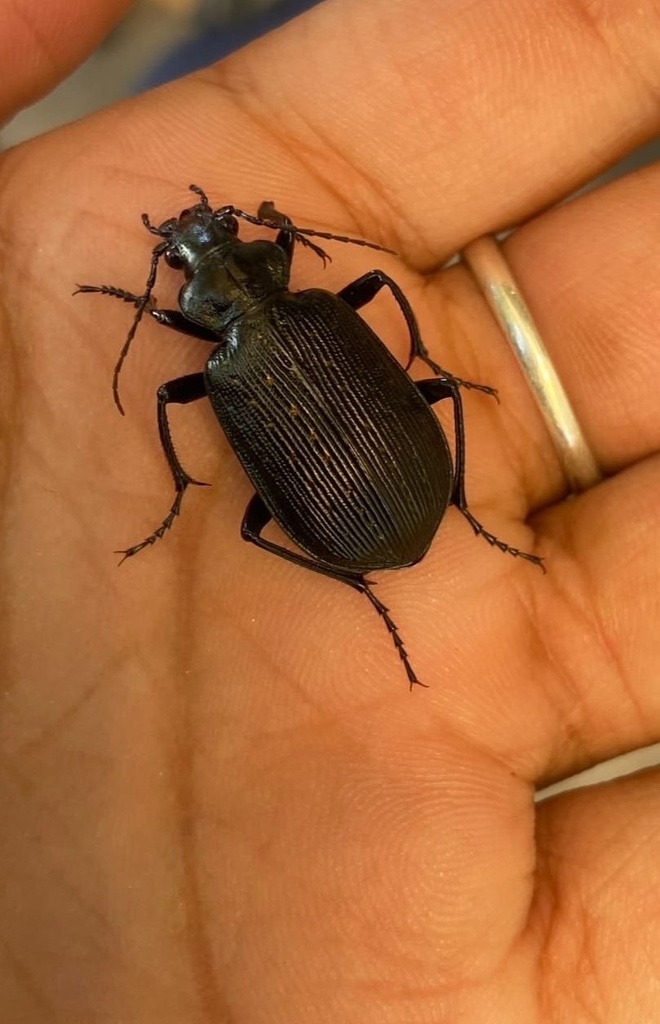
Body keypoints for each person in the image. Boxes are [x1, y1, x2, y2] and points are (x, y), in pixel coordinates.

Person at [2, 0, 659, 1020]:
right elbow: (362, 301)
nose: (198, 243)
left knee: (258, 515)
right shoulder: (301, 313)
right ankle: (409, 558)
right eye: (190, 249)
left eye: (200, 241)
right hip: (382, 498)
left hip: (364, 510)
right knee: (294, 488)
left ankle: (397, 555)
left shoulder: (226, 362)